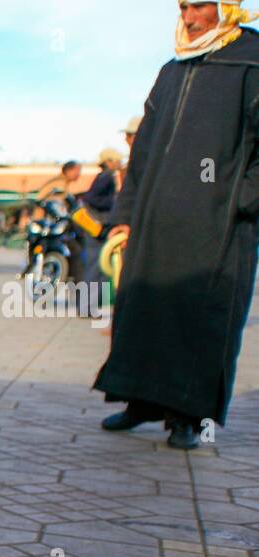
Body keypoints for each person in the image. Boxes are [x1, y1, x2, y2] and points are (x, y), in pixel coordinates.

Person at [95, 0, 259, 451]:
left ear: (226, 8)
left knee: (200, 316)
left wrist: (239, 201)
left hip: (218, 225)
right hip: (154, 218)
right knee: (146, 305)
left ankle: (188, 417)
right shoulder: (172, 70)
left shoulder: (252, 60)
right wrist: (125, 216)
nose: (189, 16)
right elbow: (142, 151)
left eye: (200, 5)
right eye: (183, 6)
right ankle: (140, 402)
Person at [78, 148, 123, 291]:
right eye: (116, 160)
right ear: (108, 162)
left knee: (95, 266)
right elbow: (92, 199)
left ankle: (88, 306)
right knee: (96, 266)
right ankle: (88, 307)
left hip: (96, 226)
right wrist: (115, 202)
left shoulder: (102, 176)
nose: (119, 163)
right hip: (99, 227)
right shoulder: (107, 177)